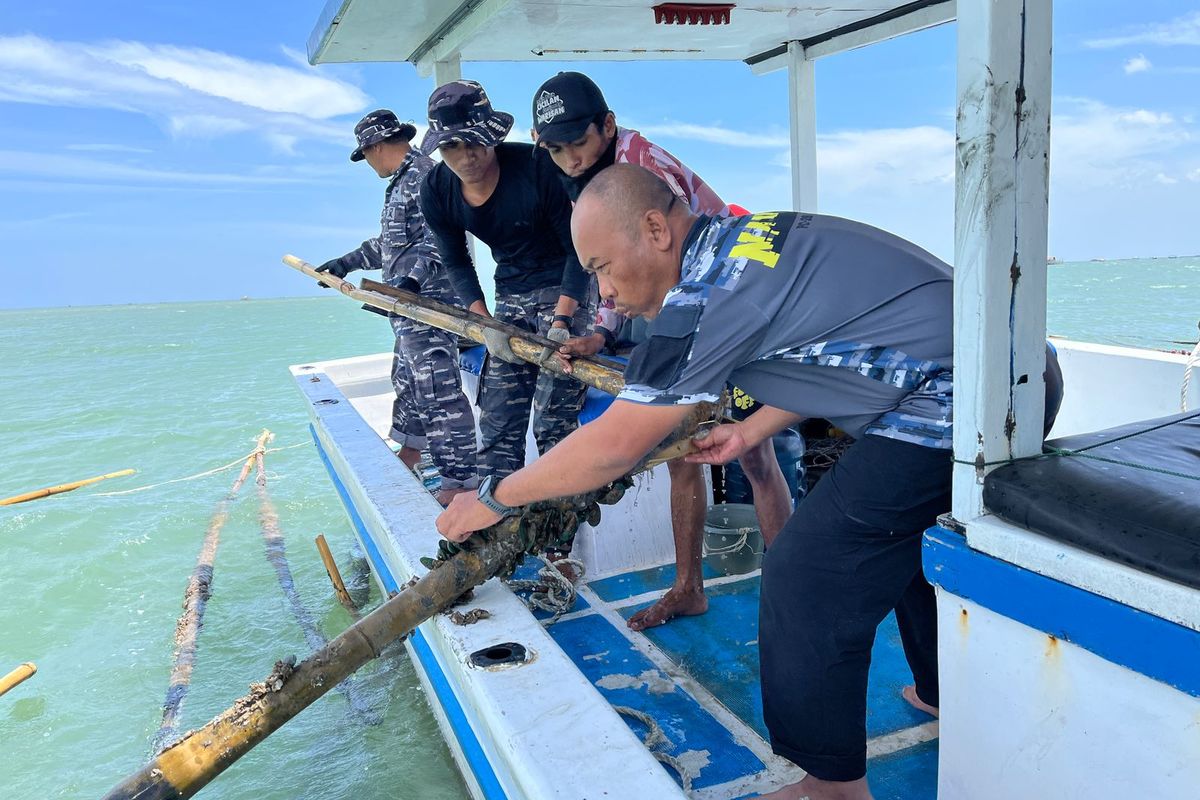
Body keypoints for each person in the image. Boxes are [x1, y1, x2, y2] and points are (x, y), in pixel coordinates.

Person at [437, 164, 1063, 800]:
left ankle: (829, 788)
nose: (605, 295)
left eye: (600, 267)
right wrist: (753, 430)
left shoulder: (704, 289)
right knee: (897, 539)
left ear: (655, 228)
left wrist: (492, 499)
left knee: (808, 572)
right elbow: (840, 345)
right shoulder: (745, 243)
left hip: (966, 397)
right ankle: (939, 692)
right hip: (1012, 372)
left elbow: (615, 446)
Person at [530, 71, 793, 629]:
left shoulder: (642, 168)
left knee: (757, 456)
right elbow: (613, 269)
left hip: (727, 304)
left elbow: (672, 267)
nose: (571, 158)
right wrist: (601, 333)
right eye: (557, 149)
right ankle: (688, 588)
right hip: (682, 306)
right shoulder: (589, 178)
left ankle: (789, 594)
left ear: (607, 125)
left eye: (578, 142)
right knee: (684, 451)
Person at [417, 81, 594, 492]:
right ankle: (497, 524)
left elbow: (578, 252)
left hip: (566, 284)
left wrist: (563, 321)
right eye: (452, 148)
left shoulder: (537, 168)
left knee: (553, 420)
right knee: (497, 420)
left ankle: (559, 548)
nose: (466, 157)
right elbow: (456, 259)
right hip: (509, 294)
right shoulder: (437, 189)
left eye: (475, 144)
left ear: (492, 136)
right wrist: (483, 324)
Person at [315, 109, 477, 505]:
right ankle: (410, 452)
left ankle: (462, 484)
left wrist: (411, 281)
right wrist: (346, 262)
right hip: (405, 311)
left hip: (430, 308)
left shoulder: (424, 175)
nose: (368, 163)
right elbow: (390, 246)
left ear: (375, 147)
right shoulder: (401, 183)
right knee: (408, 381)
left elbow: (441, 239)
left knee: (438, 392)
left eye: (366, 154)